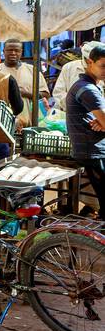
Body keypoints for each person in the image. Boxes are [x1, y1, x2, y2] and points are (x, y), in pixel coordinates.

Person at [66, 44, 105, 217]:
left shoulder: (91, 86)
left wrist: (102, 122)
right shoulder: (87, 89)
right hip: (93, 152)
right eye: (103, 66)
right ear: (90, 62)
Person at [0, 39, 43, 129]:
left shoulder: (32, 70)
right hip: (2, 124)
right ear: (3, 51)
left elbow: (45, 94)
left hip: (28, 124)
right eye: (10, 50)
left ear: (21, 52)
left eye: (17, 50)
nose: (13, 53)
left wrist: (25, 93)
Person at [52, 42, 102, 113]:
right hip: (67, 114)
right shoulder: (69, 67)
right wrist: (75, 106)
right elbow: (58, 93)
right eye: (88, 61)